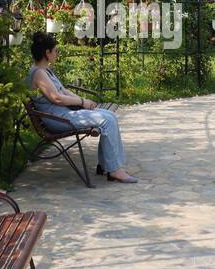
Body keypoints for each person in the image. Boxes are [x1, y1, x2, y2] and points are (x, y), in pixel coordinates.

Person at [26, 31, 137, 183]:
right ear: (47, 53)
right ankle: (115, 170)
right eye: (56, 51)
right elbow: (56, 98)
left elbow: (63, 91)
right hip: (58, 119)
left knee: (110, 116)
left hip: (64, 114)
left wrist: (83, 100)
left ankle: (107, 165)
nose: (57, 54)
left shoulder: (46, 71)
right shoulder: (39, 74)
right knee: (107, 121)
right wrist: (81, 103)